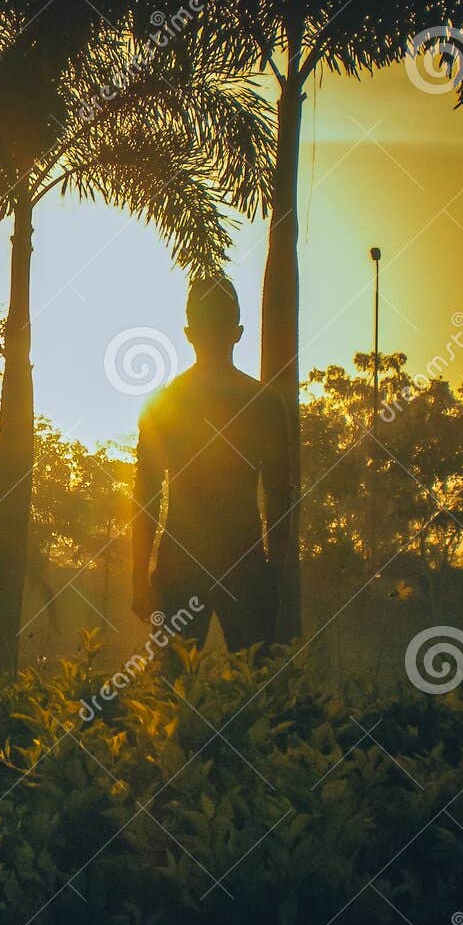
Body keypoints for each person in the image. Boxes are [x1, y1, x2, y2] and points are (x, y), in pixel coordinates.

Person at [131, 275, 296, 651]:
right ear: (238, 332)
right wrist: (276, 574)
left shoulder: (164, 405)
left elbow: (147, 497)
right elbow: (279, 496)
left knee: (171, 691)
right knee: (256, 688)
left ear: (189, 333)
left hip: (180, 562)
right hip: (245, 560)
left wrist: (139, 577)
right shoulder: (264, 404)